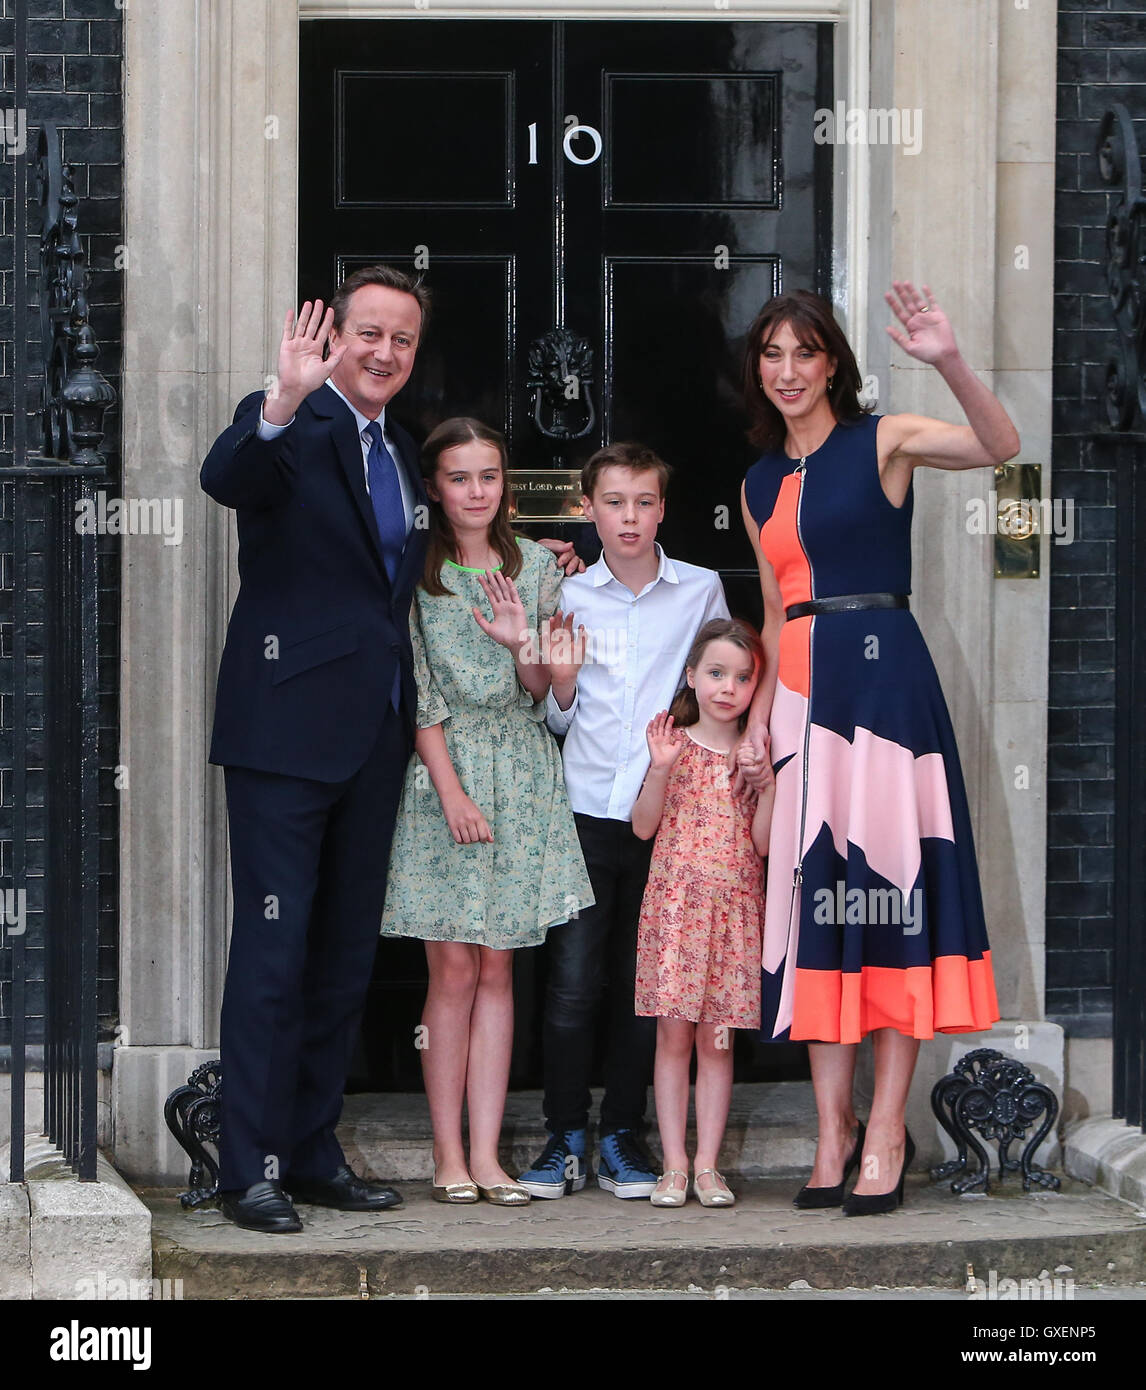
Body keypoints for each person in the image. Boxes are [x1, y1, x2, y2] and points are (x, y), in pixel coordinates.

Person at [200, 266, 581, 1233]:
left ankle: (315, 1149)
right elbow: (226, 478)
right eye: (367, 333)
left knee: (340, 960)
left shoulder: (406, 454)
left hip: (378, 738)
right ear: (335, 338)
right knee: (274, 952)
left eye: (402, 341)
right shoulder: (286, 421)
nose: (383, 353)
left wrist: (550, 559)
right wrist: (281, 399)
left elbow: (446, 559)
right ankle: (251, 1166)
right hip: (284, 732)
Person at [737, 281, 1019, 1216]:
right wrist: (758, 736)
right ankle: (833, 1132)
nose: (788, 372)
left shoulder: (885, 438)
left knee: (890, 900)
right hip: (803, 714)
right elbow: (777, 614)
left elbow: (998, 446)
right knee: (823, 909)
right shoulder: (757, 483)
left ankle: (887, 1129)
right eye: (772, 355)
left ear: (832, 364)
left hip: (886, 693)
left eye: (804, 353)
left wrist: (947, 358)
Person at [380, 418, 594, 1206]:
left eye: (491, 476)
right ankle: (447, 1154)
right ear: (435, 486)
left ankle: (489, 1154)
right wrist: (452, 794)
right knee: (454, 969)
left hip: (524, 774)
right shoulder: (419, 571)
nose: (477, 492)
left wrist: (518, 644)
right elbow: (420, 699)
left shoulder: (538, 567)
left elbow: (543, 692)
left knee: (501, 965)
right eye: (461, 478)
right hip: (448, 773)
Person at [518, 442, 730, 1201]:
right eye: (614, 502)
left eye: (644, 501)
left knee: (651, 989)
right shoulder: (566, 595)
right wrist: (566, 685)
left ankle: (623, 1135)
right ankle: (564, 1133)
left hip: (667, 817)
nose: (630, 517)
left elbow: (717, 693)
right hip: (582, 810)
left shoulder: (702, 590)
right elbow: (549, 714)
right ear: (589, 510)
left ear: (663, 509)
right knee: (574, 982)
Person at [632, 619, 775, 1209]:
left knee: (718, 1043)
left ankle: (710, 1167)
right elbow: (643, 827)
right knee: (674, 1038)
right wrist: (660, 767)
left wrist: (766, 786)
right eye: (716, 673)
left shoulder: (755, 756)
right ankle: (673, 1165)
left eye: (743, 678)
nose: (728, 688)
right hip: (675, 910)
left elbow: (764, 844)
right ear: (692, 676)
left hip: (735, 910)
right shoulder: (675, 744)